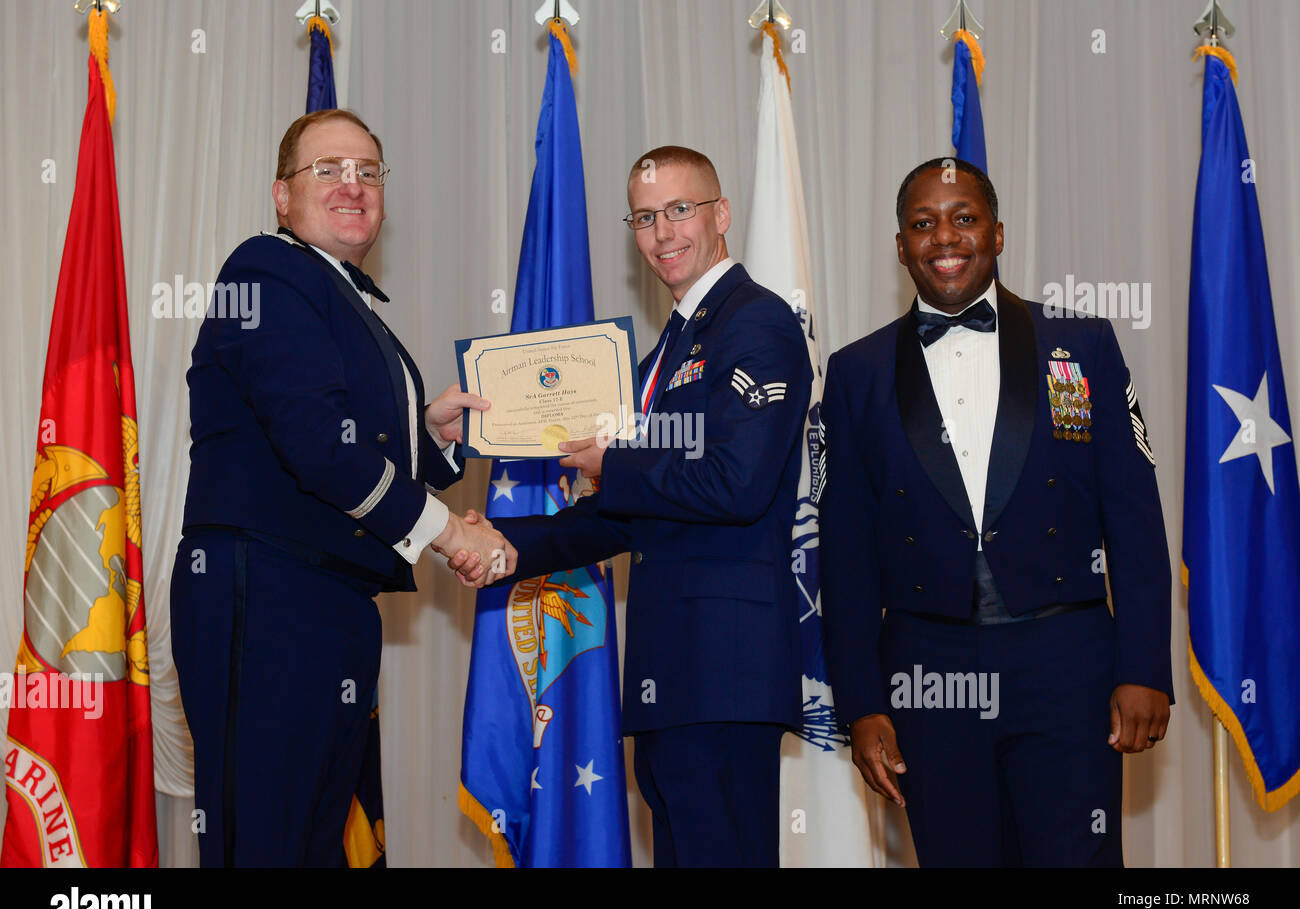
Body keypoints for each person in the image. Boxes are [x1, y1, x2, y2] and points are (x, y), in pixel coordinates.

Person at [171, 109, 514, 866]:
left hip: (324, 602)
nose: (352, 185)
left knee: (311, 845)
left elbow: (342, 440)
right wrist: (451, 533)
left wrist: (431, 437)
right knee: (264, 840)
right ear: (280, 195)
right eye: (326, 169)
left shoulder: (344, 296)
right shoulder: (265, 269)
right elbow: (319, 445)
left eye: (367, 171)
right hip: (268, 597)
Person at [454, 146, 812, 866]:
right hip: (672, 673)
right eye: (645, 218)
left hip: (725, 670)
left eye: (680, 210)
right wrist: (507, 544)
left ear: (722, 215)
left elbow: (736, 483)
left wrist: (614, 464)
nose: (663, 233)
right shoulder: (660, 357)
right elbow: (625, 512)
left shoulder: (757, 322)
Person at [820, 157, 1173, 866]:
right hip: (928, 671)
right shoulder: (854, 372)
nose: (943, 236)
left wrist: (1145, 666)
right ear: (900, 245)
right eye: (922, 223)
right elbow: (847, 553)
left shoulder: (1083, 343)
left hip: (1066, 664)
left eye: (963, 217)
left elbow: (1134, 520)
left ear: (998, 232)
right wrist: (861, 703)